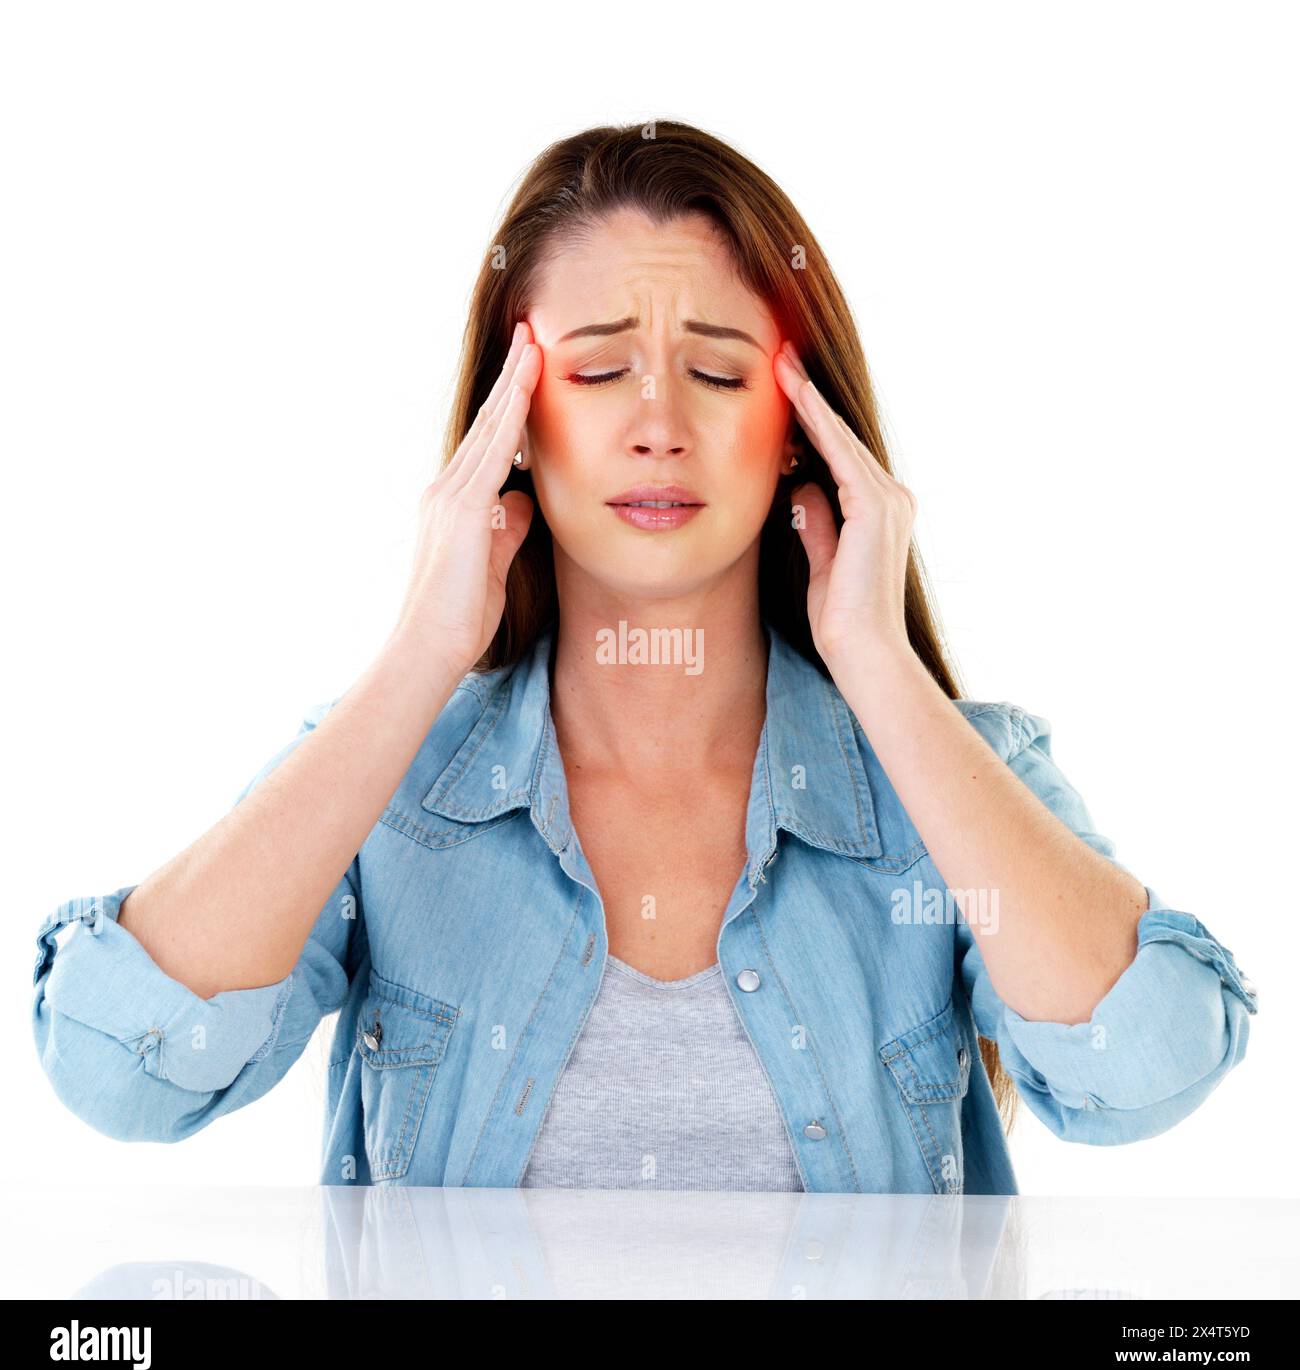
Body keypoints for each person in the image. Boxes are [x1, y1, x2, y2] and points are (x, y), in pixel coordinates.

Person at [31, 121, 1258, 1193]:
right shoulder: (385, 786)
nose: (659, 427)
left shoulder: (950, 779)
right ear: (509, 423)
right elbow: (117, 1068)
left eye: (719, 372)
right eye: (601, 370)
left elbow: (1147, 1066)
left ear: (796, 431)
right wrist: (420, 651)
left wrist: (879, 665)